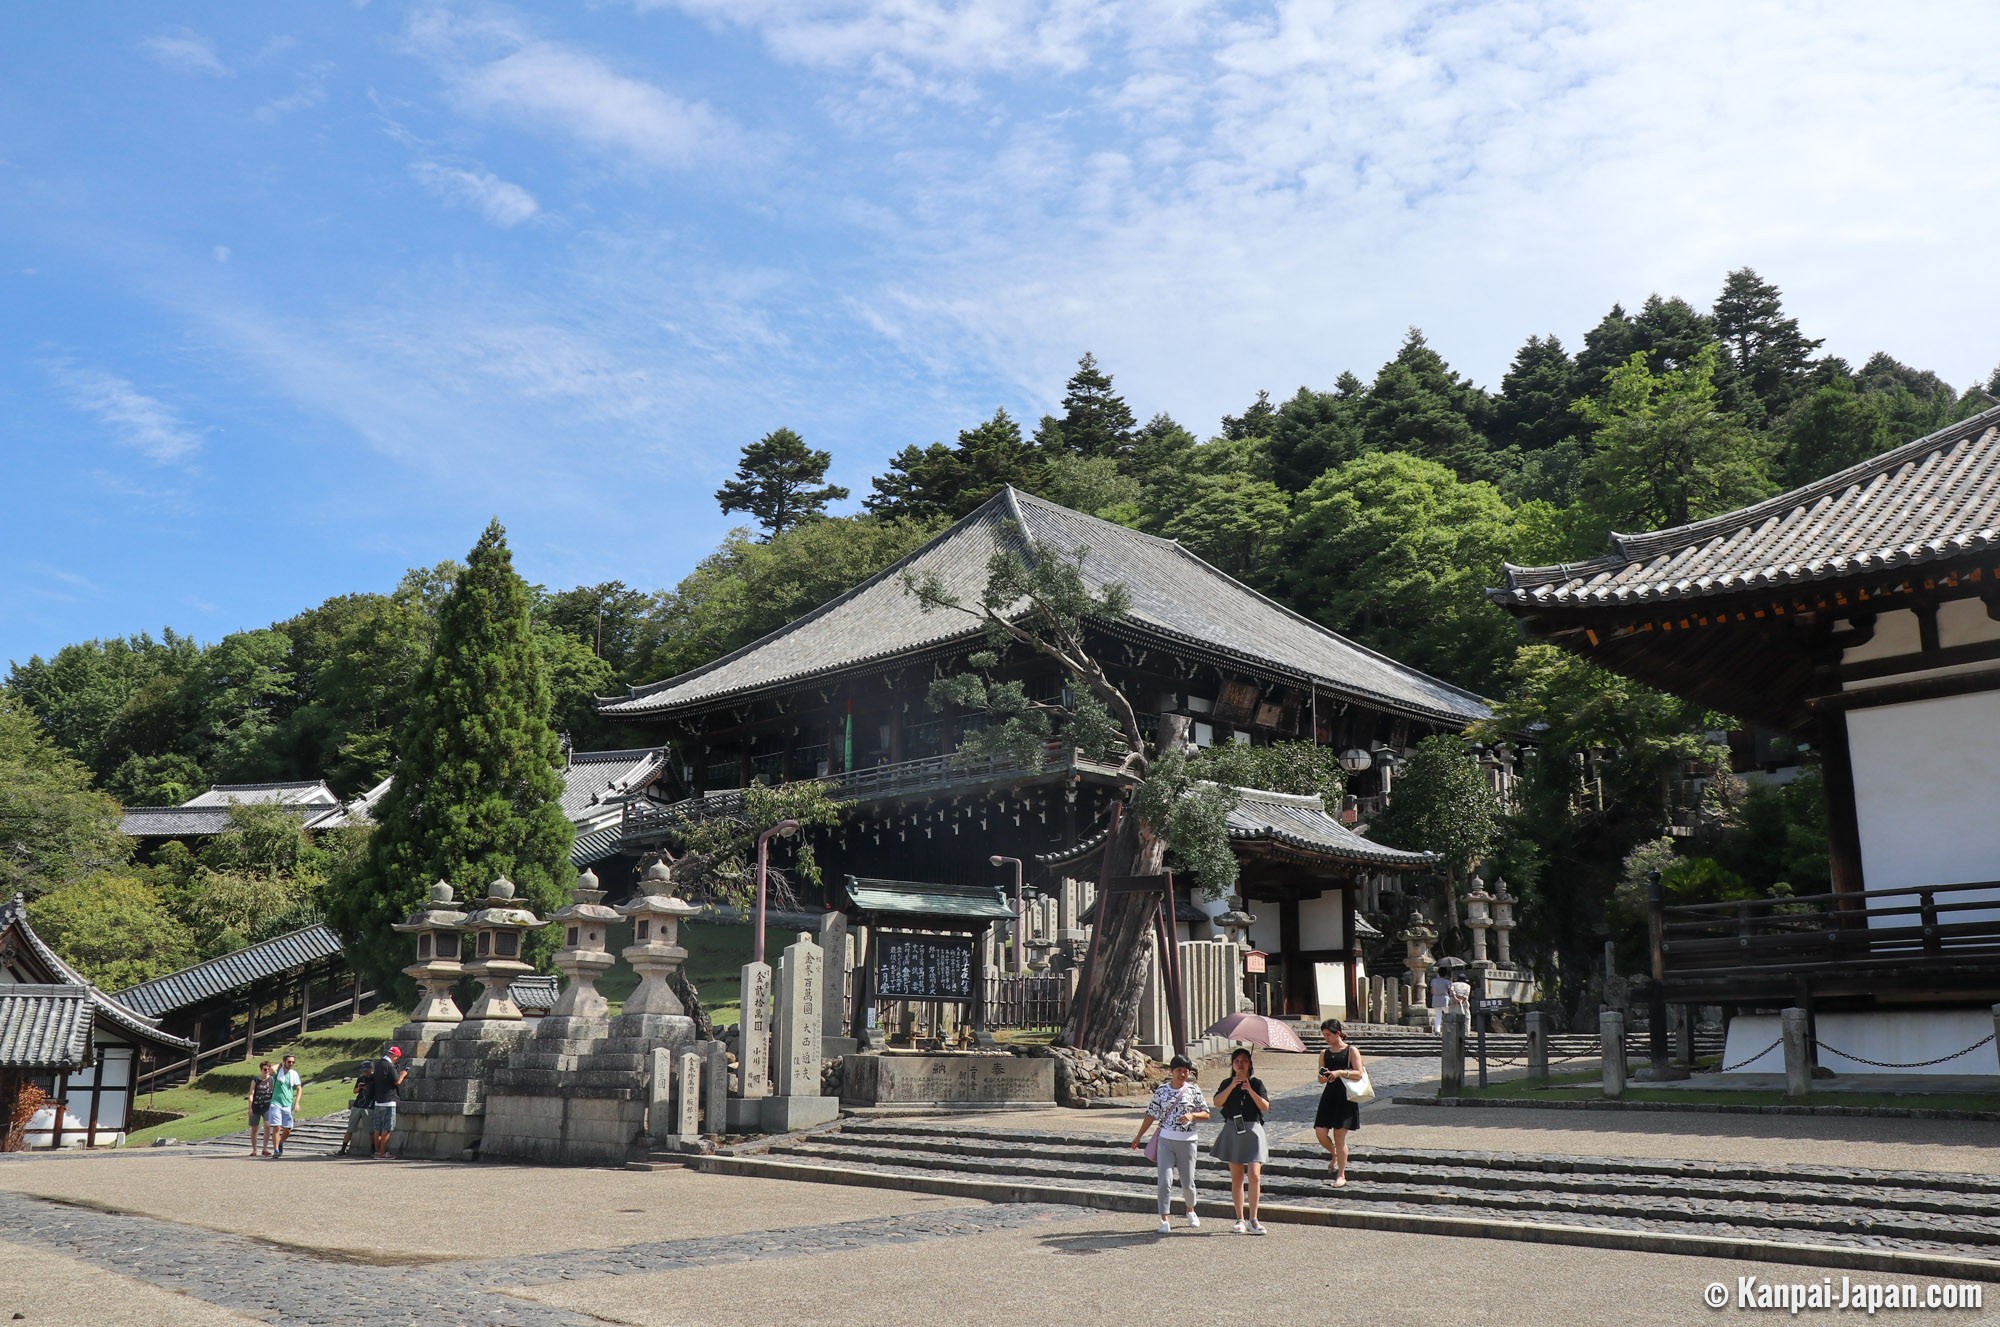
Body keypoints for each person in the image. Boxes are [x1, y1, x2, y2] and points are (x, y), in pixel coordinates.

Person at [1130, 1054, 1209, 1234]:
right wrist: (1139, 1136)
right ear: (1171, 1071)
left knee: (1187, 1182)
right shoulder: (1162, 1091)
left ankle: (1190, 1209)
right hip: (1165, 1140)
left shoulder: (1193, 1090)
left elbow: (1206, 1113)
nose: (1182, 1074)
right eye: (1179, 1070)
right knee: (1165, 1181)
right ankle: (1164, 1218)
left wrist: (1192, 1115)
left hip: (1188, 1141)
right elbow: (1151, 1114)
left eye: (1186, 1071)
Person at [1212, 1047, 1271, 1234]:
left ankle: (1254, 1218)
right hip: (1233, 1129)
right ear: (1232, 1065)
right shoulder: (1226, 1082)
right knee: (1237, 1176)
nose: (1240, 1064)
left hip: (1253, 1130)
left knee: (1254, 1174)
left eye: (1244, 1060)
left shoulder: (1257, 1083)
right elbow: (1217, 1102)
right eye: (1237, 1061)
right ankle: (1240, 1218)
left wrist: (1250, 1090)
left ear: (1250, 1064)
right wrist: (1232, 1086)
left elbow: (1265, 1106)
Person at [1314, 1019, 1366, 1187]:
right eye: (1324, 1035)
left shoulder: (1351, 1051)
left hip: (1345, 1097)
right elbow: (1320, 1078)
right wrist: (1323, 1077)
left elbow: (1359, 1073)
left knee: (1339, 1137)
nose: (1326, 1038)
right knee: (1320, 1132)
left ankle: (1341, 1174)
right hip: (1329, 1096)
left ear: (1338, 1033)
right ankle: (1334, 1154)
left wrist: (1341, 1073)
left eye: (1328, 1034)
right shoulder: (1324, 1053)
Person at [369, 1046, 408, 1159]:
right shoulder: (389, 1065)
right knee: (387, 1128)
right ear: (393, 1056)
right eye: (397, 1058)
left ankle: (377, 1152)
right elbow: (397, 1081)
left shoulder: (378, 1064)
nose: (396, 1060)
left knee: (378, 1128)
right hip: (389, 1100)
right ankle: (382, 1153)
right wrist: (403, 1074)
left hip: (378, 1100)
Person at [267, 1053, 302, 1158]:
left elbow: (299, 1088)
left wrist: (297, 1102)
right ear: (284, 1062)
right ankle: (276, 1150)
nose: (291, 1064)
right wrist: (279, 1065)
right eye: (289, 1062)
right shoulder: (278, 1072)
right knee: (277, 1127)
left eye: (293, 1062)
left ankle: (280, 1143)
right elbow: (271, 1070)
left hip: (288, 1104)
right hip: (276, 1103)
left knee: (288, 1129)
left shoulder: (294, 1074)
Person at [339, 1060, 375, 1157]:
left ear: (371, 1069)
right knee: (350, 1128)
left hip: (368, 1106)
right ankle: (343, 1149)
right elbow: (355, 1091)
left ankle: (373, 1149)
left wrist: (368, 1088)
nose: (364, 1073)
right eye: (363, 1071)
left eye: (366, 1070)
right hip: (357, 1105)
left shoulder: (375, 1078)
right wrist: (360, 1087)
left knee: (371, 1130)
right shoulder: (361, 1078)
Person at [246, 1062, 275, 1157]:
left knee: (267, 1125)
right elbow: (251, 1094)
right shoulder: (256, 1080)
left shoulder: (272, 1079)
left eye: (268, 1069)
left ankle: (264, 1149)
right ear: (261, 1070)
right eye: (265, 1069)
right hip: (256, 1106)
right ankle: (254, 1149)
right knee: (254, 1128)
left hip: (267, 1106)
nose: (266, 1071)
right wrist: (250, 1107)